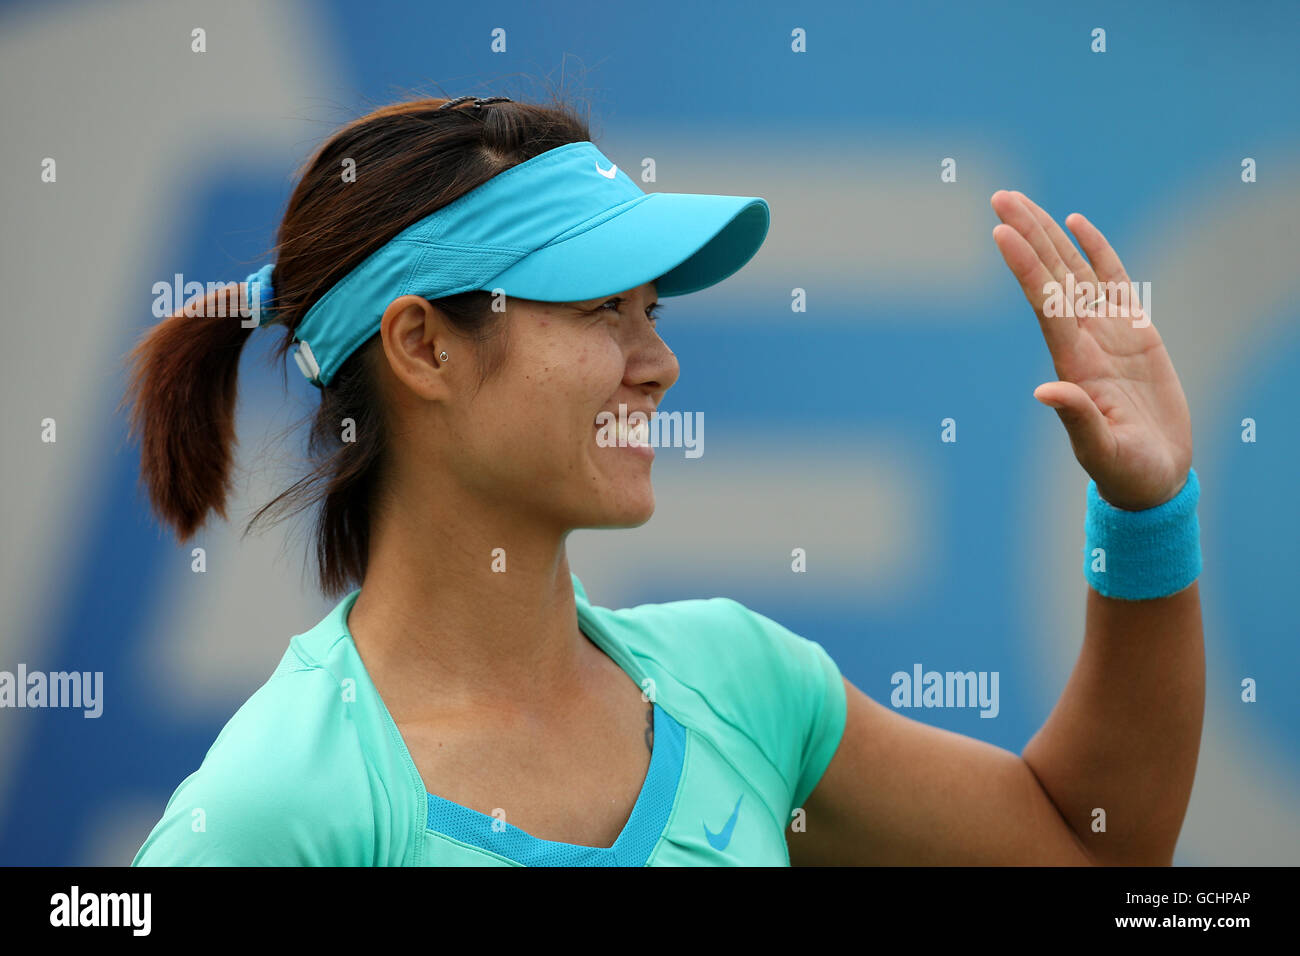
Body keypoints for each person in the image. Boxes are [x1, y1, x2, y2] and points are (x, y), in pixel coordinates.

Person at [125, 94, 1204, 866]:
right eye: (599, 307)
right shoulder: (275, 811)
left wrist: (1146, 512)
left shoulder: (742, 682)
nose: (658, 363)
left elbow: (1089, 843)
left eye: (655, 310)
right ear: (422, 347)